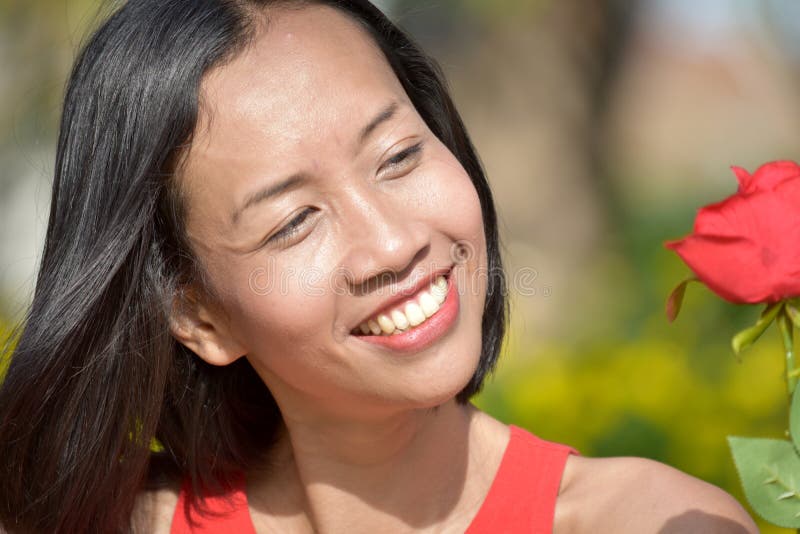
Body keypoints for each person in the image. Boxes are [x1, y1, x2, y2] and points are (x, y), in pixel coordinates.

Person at [0, 1, 759, 532]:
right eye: (294, 221)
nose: (393, 245)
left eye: (398, 156)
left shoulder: (651, 526)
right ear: (200, 316)